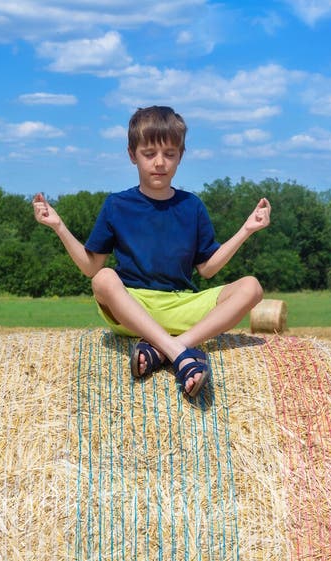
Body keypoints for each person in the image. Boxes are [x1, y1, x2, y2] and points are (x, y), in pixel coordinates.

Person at [33, 105, 271, 398]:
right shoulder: (116, 205)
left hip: (183, 305)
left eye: (170, 154)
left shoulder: (191, 206)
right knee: (104, 278)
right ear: (132, 155)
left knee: (252, 287)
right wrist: (59, 226)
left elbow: (207, 269)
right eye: (149, 154)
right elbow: (91, 268)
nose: (160, 163)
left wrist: (246, 229)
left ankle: (165, 349)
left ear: (180, 156)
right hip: (133, 307)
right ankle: (180, 354)